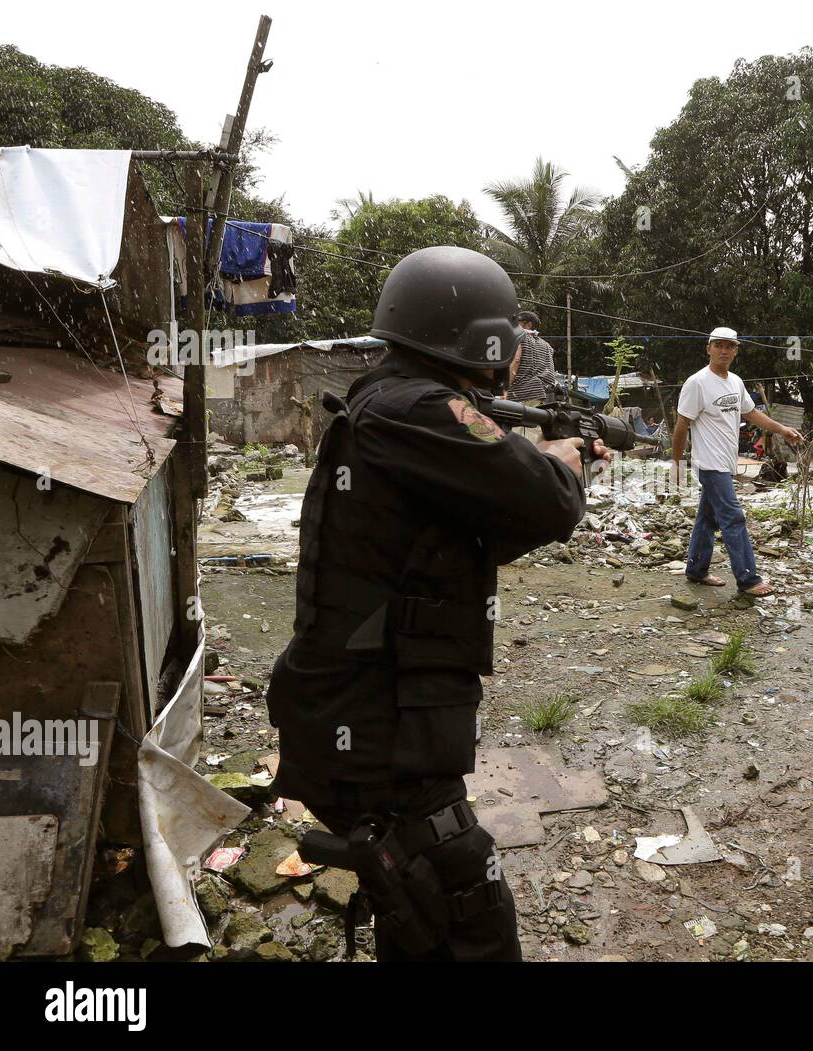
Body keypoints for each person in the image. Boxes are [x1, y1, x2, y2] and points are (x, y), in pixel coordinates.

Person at [265, 246, 607, 961]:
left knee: (418, 912)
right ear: (482, 343)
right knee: (466, 909)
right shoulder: (421, 409)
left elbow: (454, 548)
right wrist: (564, 462)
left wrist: (548, 458)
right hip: (378, 730)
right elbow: (544, 498)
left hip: (363, 720)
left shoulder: (383, 403)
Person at [671, 327, 803, 597]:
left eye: (729, 346)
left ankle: (696, 570)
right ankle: (748, 579)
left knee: (707, 519)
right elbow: (682, 422)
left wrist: (782, 429)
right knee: (733, 518)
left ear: (736, 350)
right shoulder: (697, 382)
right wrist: (676, 461)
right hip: (709, 464)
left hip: (725, 462)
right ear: (708, 348)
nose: (723, 350)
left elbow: (751, 413)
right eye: (718, 345)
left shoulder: (735, 382)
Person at [507, 310, 558, 441]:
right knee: (533, 431)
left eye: (518, 322)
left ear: (528, 325)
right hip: (540, 393)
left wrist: (505, 386)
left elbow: (516, 361)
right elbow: (551, 372)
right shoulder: (546, 345)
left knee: (517, 432)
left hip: (520, 392)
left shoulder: (518, 339)